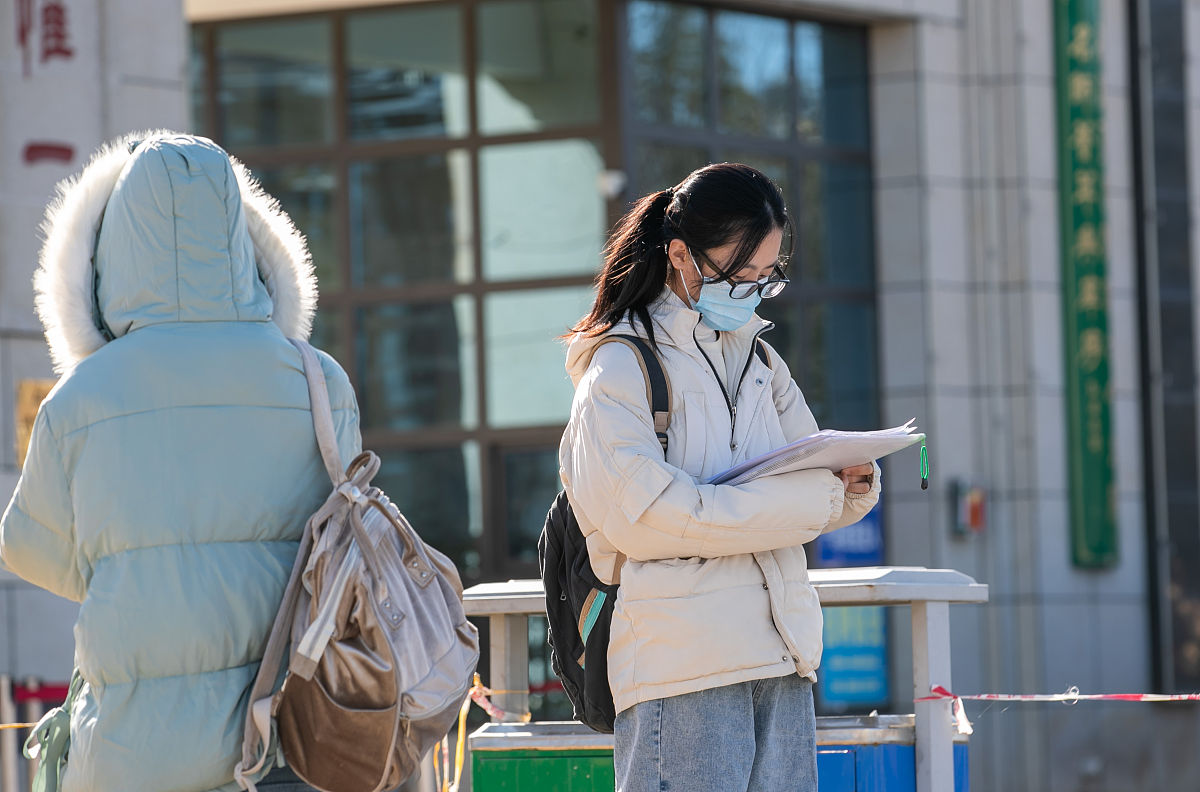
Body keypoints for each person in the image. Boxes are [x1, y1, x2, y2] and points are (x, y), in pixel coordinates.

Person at [0, 132, 360, 792]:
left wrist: (138, 568)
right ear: (243, 238)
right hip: (293, 742)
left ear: (108, 256)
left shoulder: (81, 399)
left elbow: (26, 549)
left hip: (132, 755)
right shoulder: (318, 380)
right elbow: (344, 542)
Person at [559, 162, 881, 791]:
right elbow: (650, 518)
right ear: (679, 255)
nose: (753, 291)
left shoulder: (761, 359)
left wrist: (853, 483)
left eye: (768, 277)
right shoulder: (619, 368)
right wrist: (811, 499)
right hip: (682, 665)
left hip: (782, 655)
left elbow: (831, 487)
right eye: (740, 275)